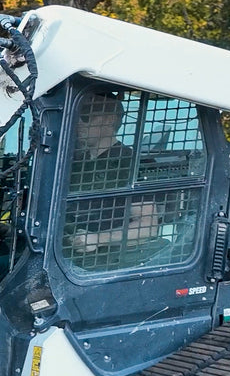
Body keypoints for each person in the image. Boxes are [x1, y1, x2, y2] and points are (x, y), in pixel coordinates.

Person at [66, 93, 164, 261]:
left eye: (86, 115)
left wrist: (98, 239)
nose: (79, 123)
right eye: (77, 116)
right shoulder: (73, 162)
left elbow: (148, 226)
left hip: (106, 260)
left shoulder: (129, 162)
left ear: (110, 120)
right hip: (65, 251)